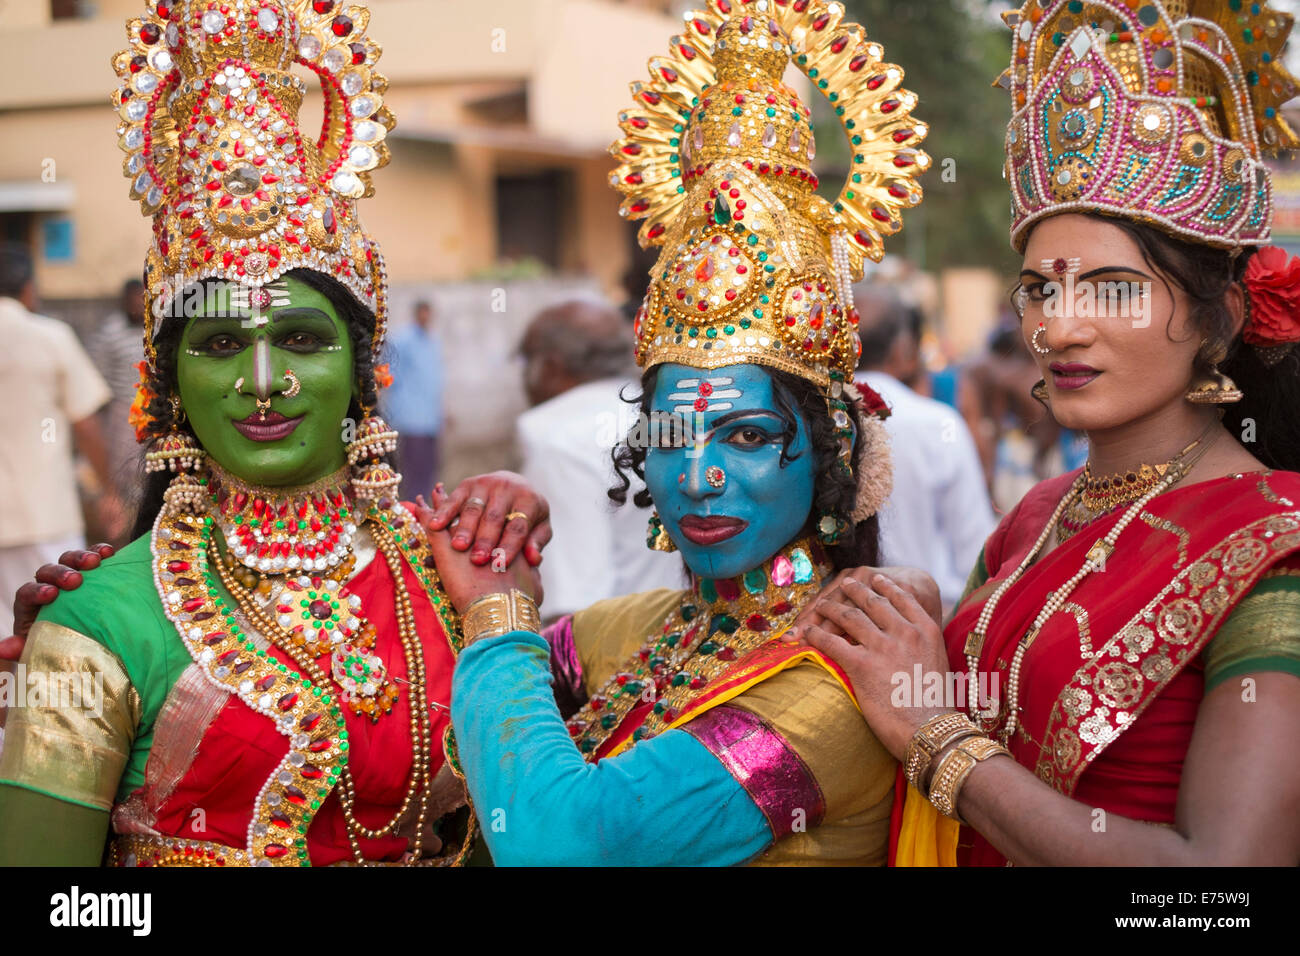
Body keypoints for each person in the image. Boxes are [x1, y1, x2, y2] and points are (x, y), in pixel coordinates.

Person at [0, 1, 550, 866]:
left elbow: (544, 820)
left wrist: (504, 600)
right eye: (222, 345)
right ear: (170, 381)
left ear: (362, 370)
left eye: (300, 338)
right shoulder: (98, 620)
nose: (264, 382)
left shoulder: (459, 571)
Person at [792, 0, 1300, 866]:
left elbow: (1221, 887)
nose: (1060, 328)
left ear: (1221, 320)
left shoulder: (1274, 545)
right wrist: (914, 622)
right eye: (1039, 290)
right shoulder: (1034, 516)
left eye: (1110, 289)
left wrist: (937, 738)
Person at [424, 9, 937, 865]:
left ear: (836, 454)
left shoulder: (834, 691)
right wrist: (479, 536)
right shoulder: (635, 630)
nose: (698, 477)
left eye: (745, 436)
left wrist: (502, 606)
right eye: (670, 434)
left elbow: (563, 843)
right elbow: (415, 710)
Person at [516, 298, 683, 620]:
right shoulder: (662, 420)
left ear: (550, 367)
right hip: (679, 639)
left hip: (614, 657)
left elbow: (572, 605)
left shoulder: (560, 442)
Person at [0, 242, 122, 628]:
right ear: (28, 288)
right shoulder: (50, 336)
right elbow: (85, 421)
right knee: (52, 631)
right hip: (44, 514)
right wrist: (109, 490)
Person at [855, 286, 995, 616]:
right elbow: (974, 551)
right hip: (930, 618)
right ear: (903, 351)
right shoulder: (936, 423)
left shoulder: (805, 417)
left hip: (829, 623)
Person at [86, 277, 149, 528]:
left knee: (149, 467)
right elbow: (95, 372)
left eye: (141, 299)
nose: (136, 304)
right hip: (122, 409)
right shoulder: (109, 332)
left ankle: (145, 519)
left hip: (153, 408)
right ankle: (120, 521)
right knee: (124, 469)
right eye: (131, 299)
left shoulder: (155, 328)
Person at [383, 300, 444, 499]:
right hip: (411, 418)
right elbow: (389, 373)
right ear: (417, 313)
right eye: (423, 313)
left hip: (430, 419)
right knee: (412, 470)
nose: (426, 317)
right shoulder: (404, 340)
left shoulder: (432, 341)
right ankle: (411, 510)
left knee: (429, 470)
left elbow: (432, 380)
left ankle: (424, 508)